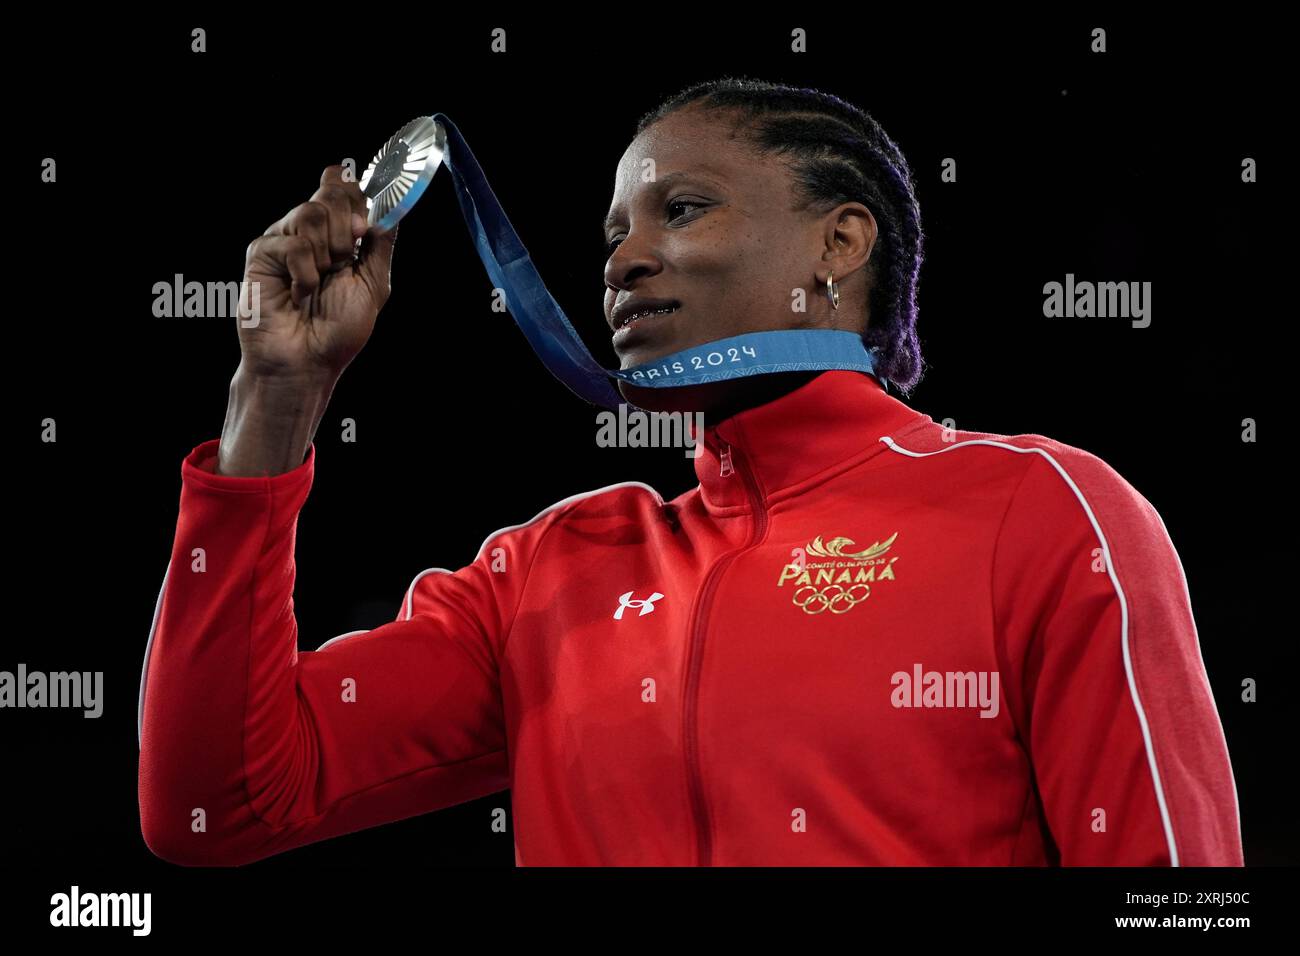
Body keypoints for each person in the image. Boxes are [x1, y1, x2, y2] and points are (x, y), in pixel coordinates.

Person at [138, 78, 1243, 866]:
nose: (621, 259)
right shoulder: (549, 573)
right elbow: (214, 806)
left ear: (840, 242)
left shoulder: (1040, 509)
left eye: (681, 208)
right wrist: (273, 399)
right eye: (613, 231)